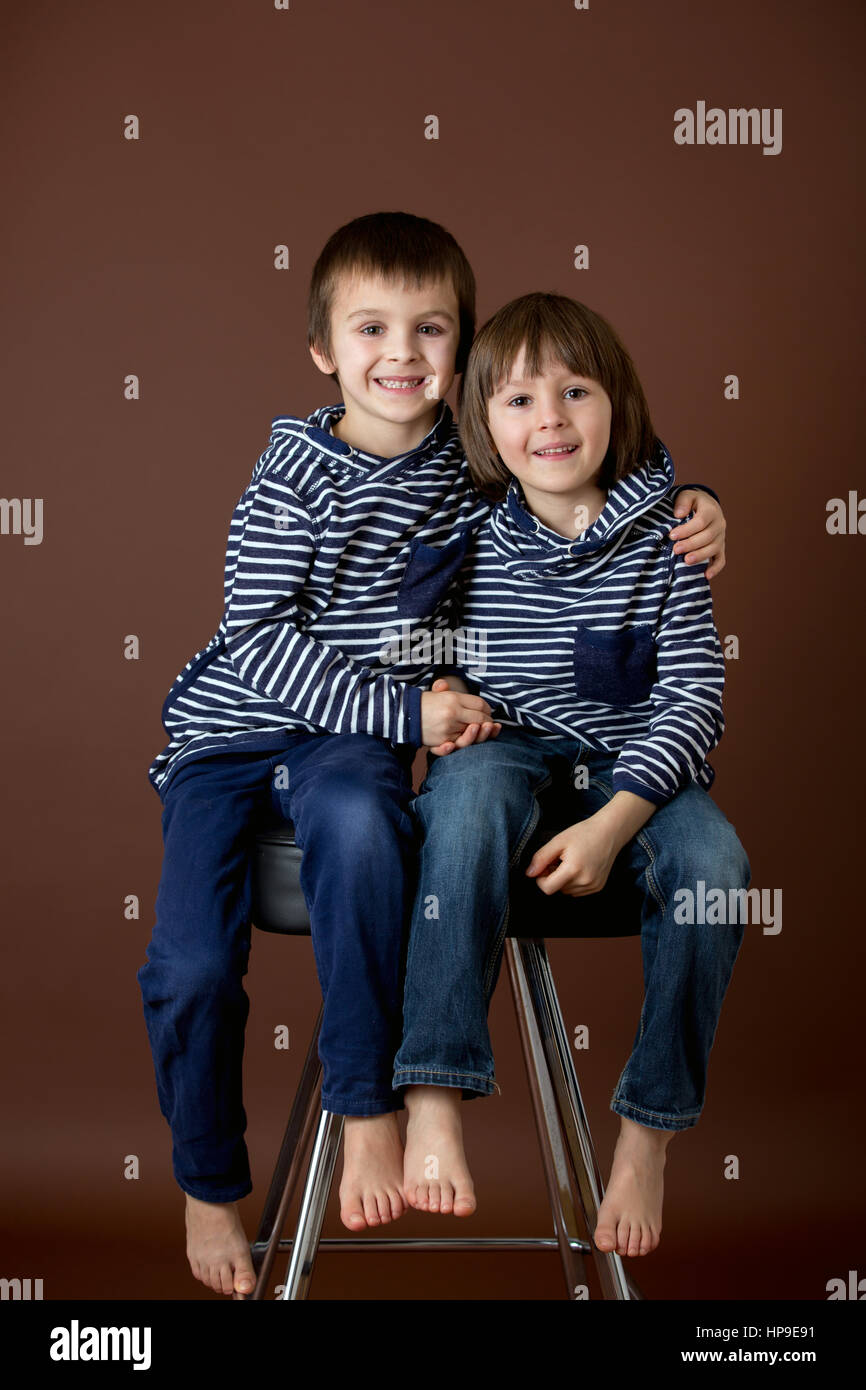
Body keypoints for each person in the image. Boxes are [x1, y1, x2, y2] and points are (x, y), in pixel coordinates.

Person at [137, 212, 725, 1296]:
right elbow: (260, 641)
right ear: (324, 350)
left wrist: (697, 503)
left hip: (349, 748)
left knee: (368, 831)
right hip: (239, 732)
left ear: (460, 355)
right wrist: (411, 717)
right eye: (369, 330)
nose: (399, 354)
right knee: (190, 971)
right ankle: (207, 1183)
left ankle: (369, 1105)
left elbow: (580, 468)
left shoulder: (473, 464)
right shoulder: (289, 475)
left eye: (429, 330)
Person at [394, 291, 749, 1260]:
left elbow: (690, 704)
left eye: (573, 391)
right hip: (504, 748)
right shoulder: (465, 528)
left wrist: (609, 827)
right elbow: (408, 639)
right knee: (462, 805)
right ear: (481, 422)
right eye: (516, 400)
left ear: (616, 403)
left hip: (634, 773)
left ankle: (647, 1132)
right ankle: (432, 1087)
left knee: (716, 868)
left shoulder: (670, 535)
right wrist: (436, 684)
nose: (547, 417)